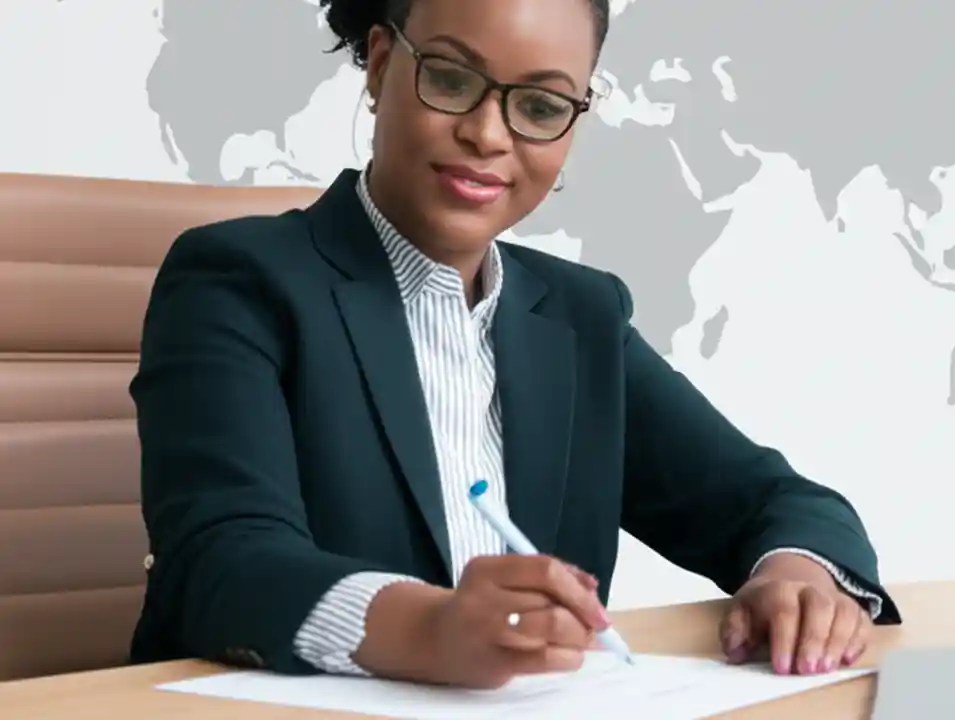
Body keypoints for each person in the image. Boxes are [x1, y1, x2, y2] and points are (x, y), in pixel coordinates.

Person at [128, 0, 901, 690]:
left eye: (538, 104)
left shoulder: (580, 316)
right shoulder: (240, 280)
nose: (488, 135)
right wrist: (432, 629)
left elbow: (774, 502)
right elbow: (220, 564)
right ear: (383, 63)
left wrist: (797, 574)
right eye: (453, 80)